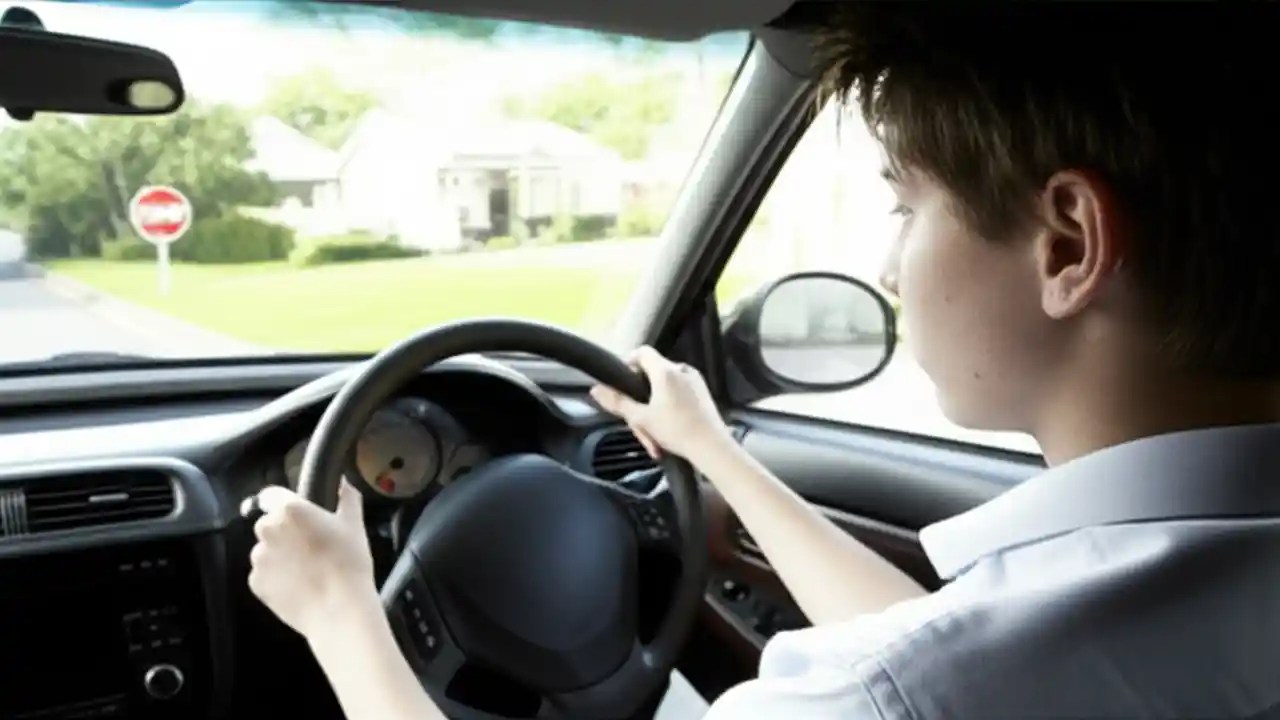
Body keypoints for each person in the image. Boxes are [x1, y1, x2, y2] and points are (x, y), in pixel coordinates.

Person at [245, 3, 1280, 719]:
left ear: (1066, 244)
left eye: (903, 206)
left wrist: (340, 610)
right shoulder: (1154, 597)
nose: (886, 264)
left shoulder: (886, 691)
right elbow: (950, 644)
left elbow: (920, 671)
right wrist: (717, 458)